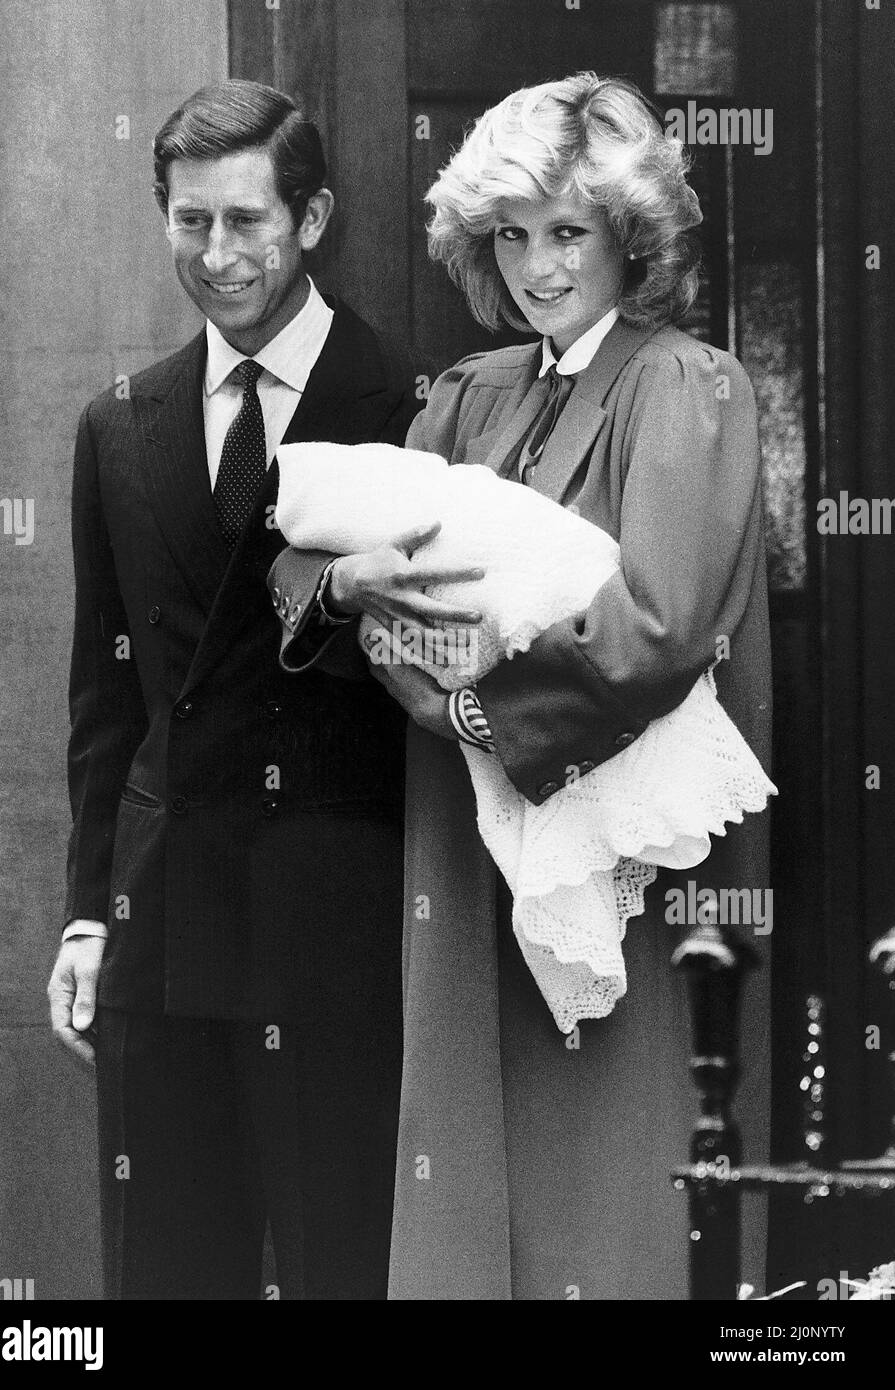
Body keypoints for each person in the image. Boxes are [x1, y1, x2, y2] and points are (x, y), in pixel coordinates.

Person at [272, 71, 773, 1299]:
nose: (539, 268)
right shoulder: (471, 393)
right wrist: (348, 598)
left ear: (630, 236)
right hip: (462, 830)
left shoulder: (686, 385)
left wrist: (474, 711)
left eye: (567, 233)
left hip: (606, 830)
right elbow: (326, 559)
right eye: (511, 236)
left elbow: (655, 626)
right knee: (464, 1148)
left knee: (603, 1143)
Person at [46, 78, 475, 1301]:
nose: (218, 255)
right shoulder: (118, 424)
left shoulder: (419, 407)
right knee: (166, 1279)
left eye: (248, 222)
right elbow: (105, 705)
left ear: (316, 216)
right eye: (191, 222)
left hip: (337, 937)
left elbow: (437, 672)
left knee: (346, 1271)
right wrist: (89, 915)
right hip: (159, 931)